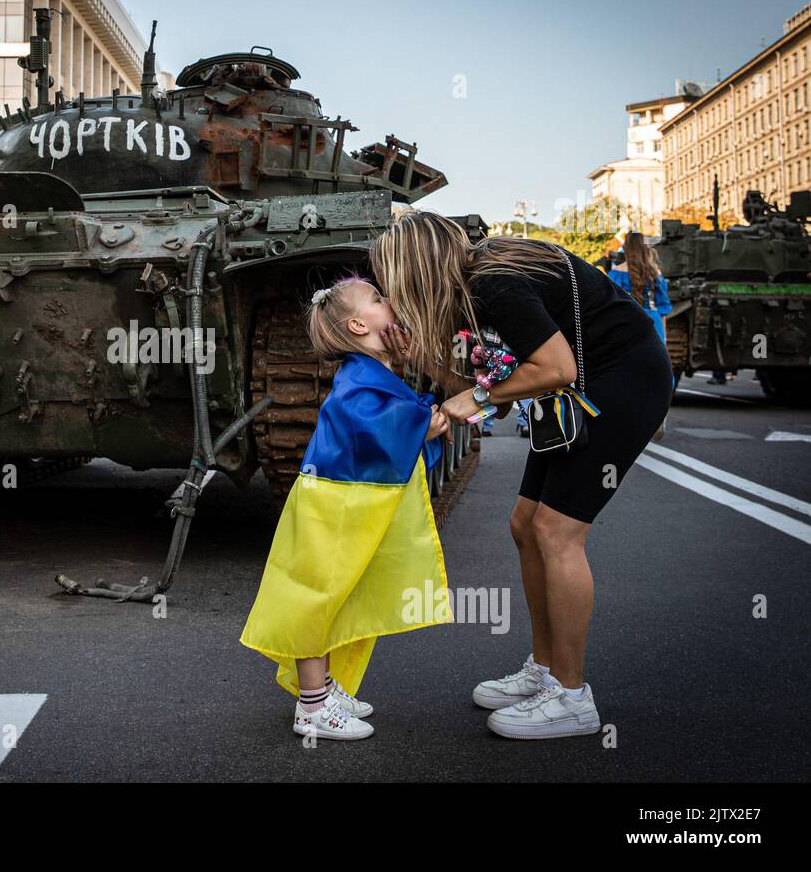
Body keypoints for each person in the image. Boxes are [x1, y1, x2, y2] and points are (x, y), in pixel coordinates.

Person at [372, 211, 673, 740]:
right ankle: (545, 667)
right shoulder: (478, 277)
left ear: (416, 267)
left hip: (622, 379)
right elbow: (485, 375)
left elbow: (556, 368)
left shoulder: (496, 284)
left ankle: (573, 697)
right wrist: (431, 363)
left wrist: (478, 396)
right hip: (584, 386)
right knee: (524, 522)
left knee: (557, 531)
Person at [240, 275, 452, 741]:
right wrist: (422, 424)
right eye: (378, 299)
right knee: (317, 596)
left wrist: (418, 415)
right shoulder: (358, 376)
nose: (389, 300)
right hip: (331, 505)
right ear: (358, 325)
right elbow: (369, 423)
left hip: (340, 501)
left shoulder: (370, 368)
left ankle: (324, 688)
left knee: (337, 594)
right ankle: (312, 707)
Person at [608, 231, 672, 439]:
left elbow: (610, 306)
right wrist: (664, 338)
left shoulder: (615, 273)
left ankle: (628, 418)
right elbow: (663, 309)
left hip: (628, 323)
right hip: (653, 322)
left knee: (626, 371)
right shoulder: (655, 274)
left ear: (626, 249)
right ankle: (659, 416)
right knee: (658, 371)